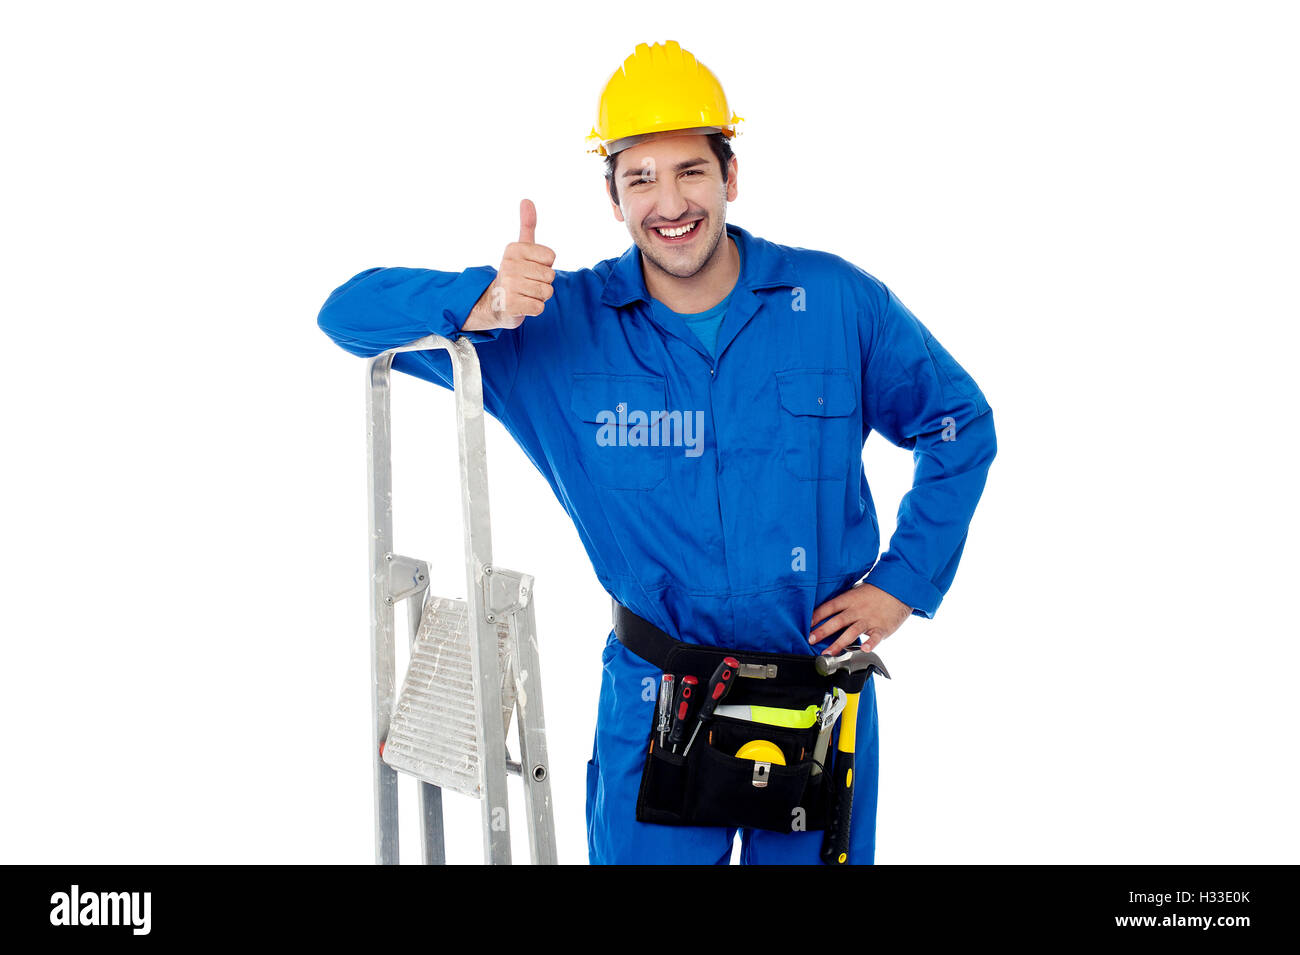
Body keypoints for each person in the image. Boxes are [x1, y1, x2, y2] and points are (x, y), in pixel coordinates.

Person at [317, 40, 996, 864]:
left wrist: (904, 581)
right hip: (656, 700)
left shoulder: (836, 303)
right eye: (640, 178)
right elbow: (346, 313)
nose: (669, 202)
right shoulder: (553, 328)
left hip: (819, 700)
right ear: (612, 197)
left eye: (690, 171)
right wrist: (484, 300)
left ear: (730, 177)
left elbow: (958, 421)